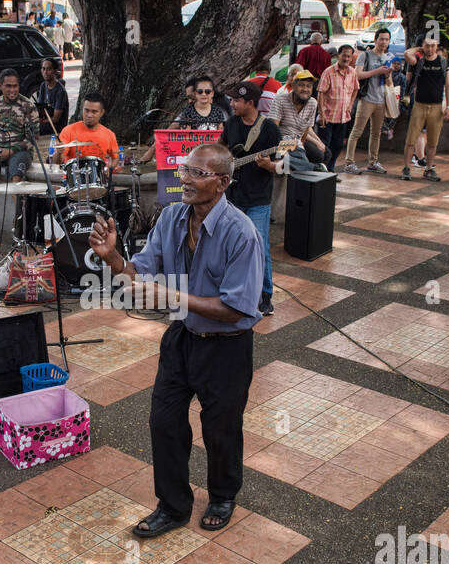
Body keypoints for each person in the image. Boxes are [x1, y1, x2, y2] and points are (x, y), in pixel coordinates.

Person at [87, 142, 263, 536]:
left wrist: (174, 297)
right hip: (182, 337)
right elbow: (139, 276)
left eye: (197, 174)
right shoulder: (170, 218)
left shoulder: (242, 233)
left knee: (221, 428)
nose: (184, 179)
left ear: (222, 182)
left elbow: (238, 309)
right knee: (163, 422)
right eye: (185, 170)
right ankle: (173, 506)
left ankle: (222, 494)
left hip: (227, 347)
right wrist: (113, 258)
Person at [222, 81, 280, 315]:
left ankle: (265, 294)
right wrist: (225, 163)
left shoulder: (270, 130)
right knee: (229, 245)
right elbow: (222, 147)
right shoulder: (232, 123)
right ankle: (232, 289)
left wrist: (269, 165)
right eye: (232, 99)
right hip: (233, 195)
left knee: (260, 246)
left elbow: (282, 165)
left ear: (250, 103)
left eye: (236, 100)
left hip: (258, 199)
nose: (232, 104)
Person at [401, 34, 449, 181]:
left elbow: (448, 85)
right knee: (411, 138)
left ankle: (429, 168)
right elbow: (407, 54)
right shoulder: (418, 60)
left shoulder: (444, 62)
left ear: (437, 46)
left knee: (433, 141)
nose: (430, 48)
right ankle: (406, 167)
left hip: (436, 106)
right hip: (419, 104)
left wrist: (448, 106)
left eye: (433, 45)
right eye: (427, 45)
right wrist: (420, 48)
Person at [345, 28, 397, 174]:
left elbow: (389, 83)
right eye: (381, 39)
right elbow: (357, 74)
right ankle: (349, 162)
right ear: (375, 40)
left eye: (386, 39)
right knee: (357, 131)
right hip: (367, 98)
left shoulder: (388, 57)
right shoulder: (366, 56)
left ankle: (373, 161)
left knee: (376, 133)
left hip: (381, 100)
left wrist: (388, 74)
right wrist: (377, 71)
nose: (384, 42)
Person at [0, 68, 39, 184]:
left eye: (15, 86)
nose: (12, 90)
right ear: (0, 85)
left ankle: (18, 202)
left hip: (20, 151)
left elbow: (33, 137)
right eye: (8, 86)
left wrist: (10, 151)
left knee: (16, 175)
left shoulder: (28, 105)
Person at [267, 69, 326, 172]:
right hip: (279, 141)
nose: (305, 89)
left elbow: (306, 129)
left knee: (309, 158)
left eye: (309, 86)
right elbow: (273, 131)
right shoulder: (280, 100)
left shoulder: (312, 103)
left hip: (296, 143)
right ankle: (313, 168)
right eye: (301, 85)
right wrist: (277, 155)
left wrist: (302, 146)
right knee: (286, 164)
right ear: (293, 86)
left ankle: (305, 165)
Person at [316, 44, 358, 172]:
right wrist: (321, 114)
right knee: (324, 145)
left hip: (343, 117)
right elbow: (321, 92)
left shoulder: (352, 72)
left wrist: (350, 105)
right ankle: (322, 170)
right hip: (328, 116)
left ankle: (331, 168)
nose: (346, 58)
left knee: (338, 144)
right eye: (344, 55)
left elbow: (356, 89)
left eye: (349, 56)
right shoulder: (328, 72)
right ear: (338, 55)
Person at [54, 92, 119, 169]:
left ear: (102, 112)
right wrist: (58, 153)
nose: (89, 115)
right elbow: (58, 162)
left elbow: (115, 157)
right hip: (74, 178)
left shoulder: (109, 134)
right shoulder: (69, 130)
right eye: (86, 110)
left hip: (98, 179)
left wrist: (109, 170)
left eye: (94, 112)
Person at [34, 58, 68, 136]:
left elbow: (56, 119)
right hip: (46, 120)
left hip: (56, 126)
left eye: (49, 69)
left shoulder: (60, 91)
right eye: (43, 69)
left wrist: (41, 121)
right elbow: (40, 108)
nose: (45, 72)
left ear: (55, 71)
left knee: (33, 130)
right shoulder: (43, 85)